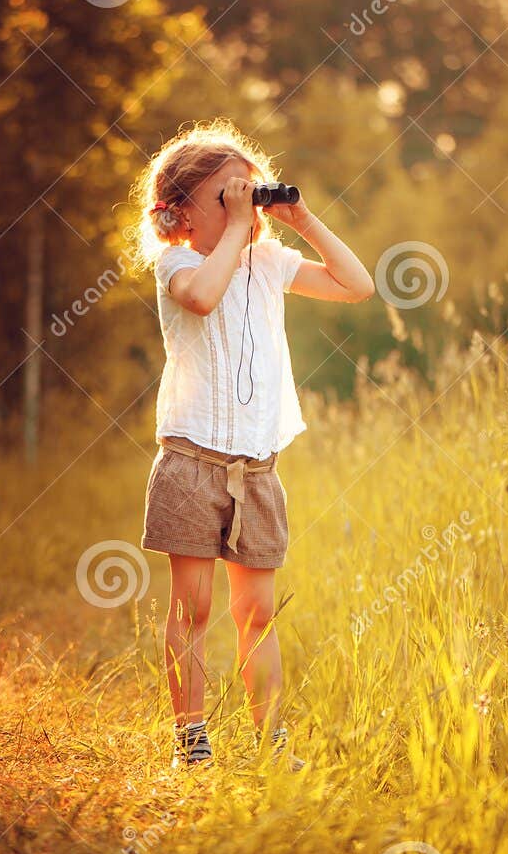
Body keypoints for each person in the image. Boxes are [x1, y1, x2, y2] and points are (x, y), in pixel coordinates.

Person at [127, 121, 374, 769]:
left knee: (257, 611)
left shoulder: (267, 262)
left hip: (257, 467)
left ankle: (271, 742)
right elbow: (204, 299)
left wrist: (303, 221)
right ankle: (192, 739)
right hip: (191, 461)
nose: (242, 205)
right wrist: (238, 228)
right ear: (181, 211)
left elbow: (357, 285)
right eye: (226, 196)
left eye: (248, 192)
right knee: (195, 604)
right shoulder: (178, 264)